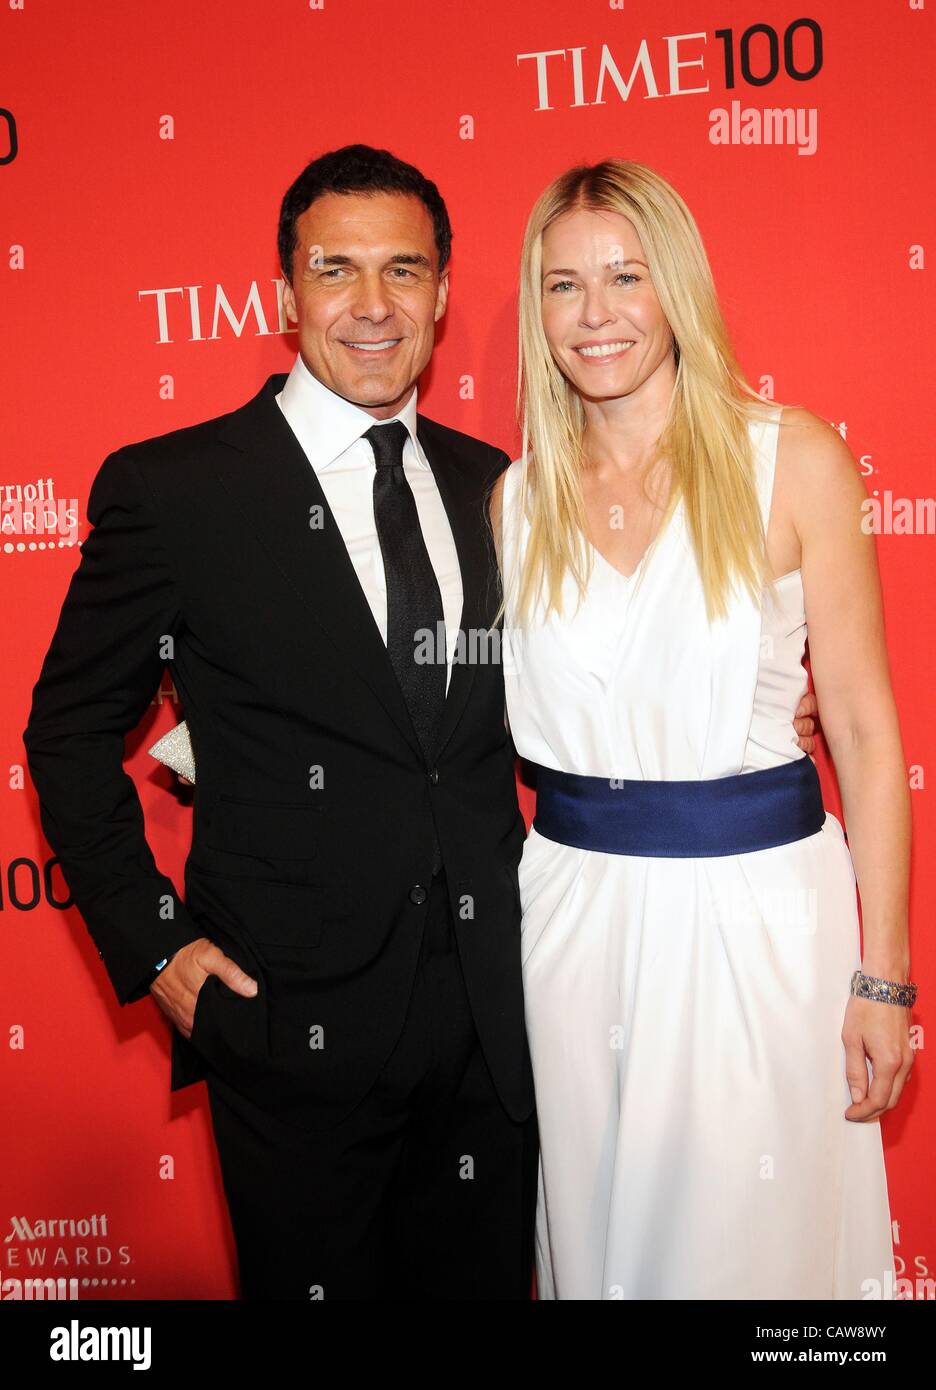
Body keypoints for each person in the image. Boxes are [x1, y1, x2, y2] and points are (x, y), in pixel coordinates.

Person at [22, 144, 542, 1300]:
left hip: (496, 1036)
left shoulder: (499, 485)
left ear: (445, 293)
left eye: (404, 270)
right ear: (284, 294)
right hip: (289, 1032)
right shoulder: (180, 491)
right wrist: (154, 946)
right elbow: (64, 733)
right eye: (336, 269)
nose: (372, 305)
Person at [488, 159, 915, 1300]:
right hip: (576, 919)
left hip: (761, 920)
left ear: (677, 284)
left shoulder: (793, 460)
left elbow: (869, 733)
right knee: (602, 1236)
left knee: (752, 1247)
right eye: (564, 284)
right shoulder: (517, 501)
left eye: (626, 276)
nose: (596, 315)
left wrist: (886, 976)